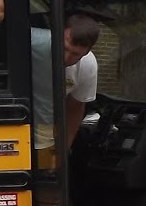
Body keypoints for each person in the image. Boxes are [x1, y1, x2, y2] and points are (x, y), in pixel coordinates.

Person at [30, 12, 101, 153]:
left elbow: (75, 107)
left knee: (46, 171)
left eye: (75, 54)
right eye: (64, 48)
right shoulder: (32, 40)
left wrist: (63, 149)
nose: (66, 58)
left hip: (45, 130)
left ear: (87, 52)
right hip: (12, 120)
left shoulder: (88, 65)